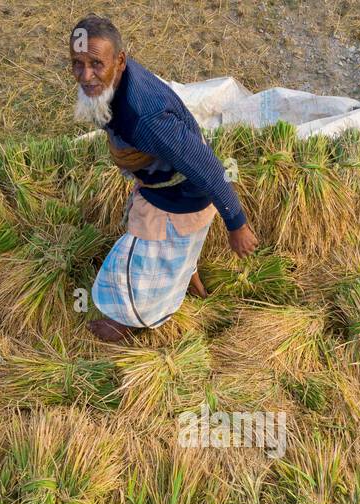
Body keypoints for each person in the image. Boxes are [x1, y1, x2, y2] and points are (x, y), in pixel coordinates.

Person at [70, 14, 259, 342]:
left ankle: (128, 322)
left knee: (136, 268)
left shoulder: (147, 119)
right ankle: (187, 278)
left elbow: (210, 169)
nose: (86, 76)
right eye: (77, 63)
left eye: (96, 64)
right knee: (179, 253)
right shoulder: (119, 79)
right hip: (169, 186)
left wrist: (237, 225)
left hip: (179, 200)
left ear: (120, 61)